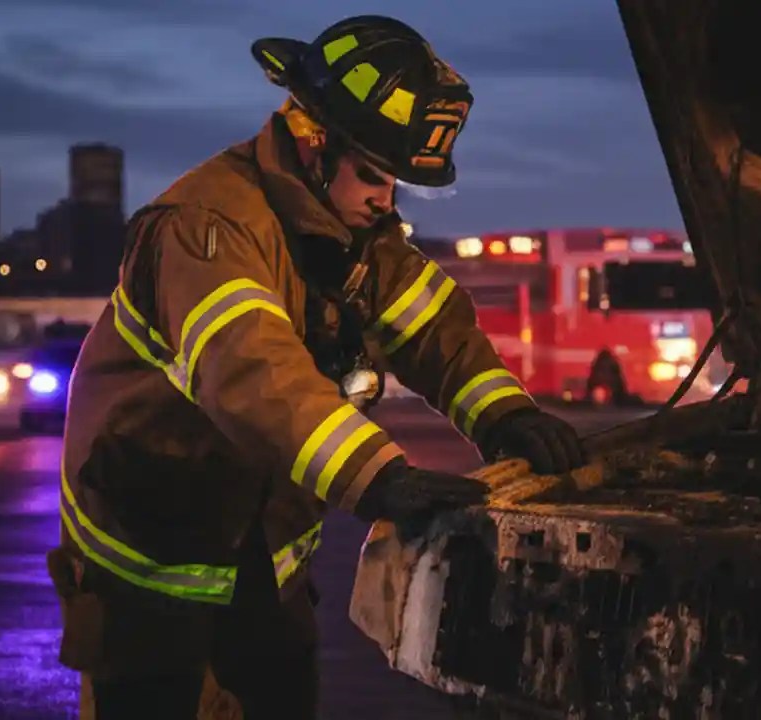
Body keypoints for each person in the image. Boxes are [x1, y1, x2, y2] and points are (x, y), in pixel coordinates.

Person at [47, 15, 586, 719]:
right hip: (152, 552)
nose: (383, 200)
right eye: (371, 174)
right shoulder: (205, 227)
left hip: (262, 552)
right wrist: (379, 477)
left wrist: (505, 414)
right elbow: (251, 372)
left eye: (394, 182)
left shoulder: (352, 231)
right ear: (311, 141)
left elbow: (432, 327)